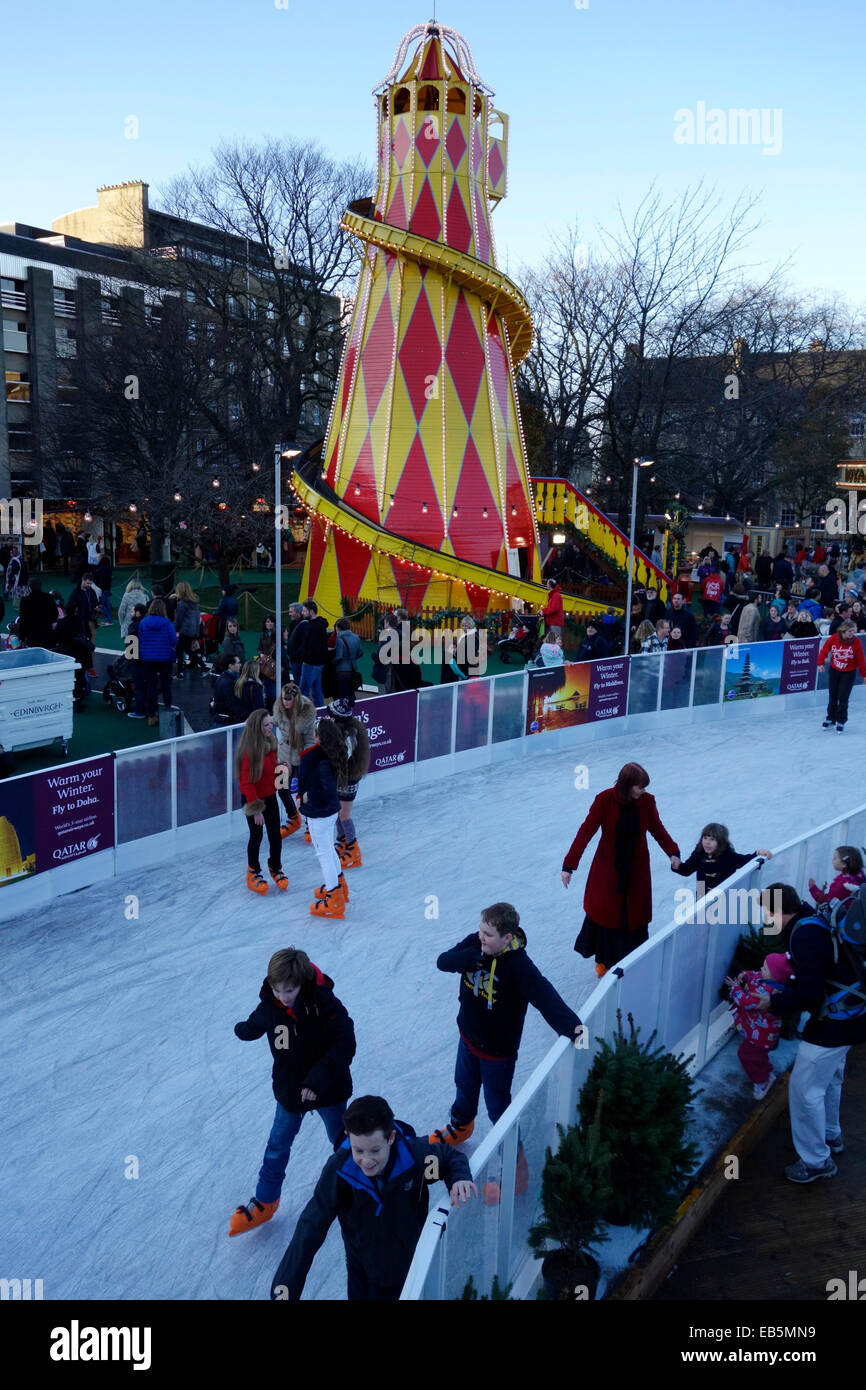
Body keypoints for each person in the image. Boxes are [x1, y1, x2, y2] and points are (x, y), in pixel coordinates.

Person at [431, 902, 583, 1186]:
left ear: (507, 938)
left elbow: (545, 997)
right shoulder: (474, 945)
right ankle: (460, 1126)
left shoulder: (519, 967)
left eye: (488, 934)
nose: (481, 937)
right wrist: (471, 956)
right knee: (463, 1087)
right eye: (481, 930)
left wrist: (575, 1030)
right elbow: (443, 961)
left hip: (497, 1054)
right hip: (468, 1038)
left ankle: (517, 1167)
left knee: (498, 1108)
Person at [270, 1094, 475, 1301]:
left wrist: (459, 1178)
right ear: (348, 1136)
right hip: (362, 1269)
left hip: (408, 1267)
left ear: (391, 1137)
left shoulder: (414, 1156)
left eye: (375, 1150)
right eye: (358, 1150)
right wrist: (285, 1288)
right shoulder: (339, 1171)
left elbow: (449, 1157)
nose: (366, 1160)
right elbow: (310, 1227)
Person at [229, 947, 356, 1236]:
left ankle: (362, 1188)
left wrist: (316, 1082)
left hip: (328, 1090)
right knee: (277, 1146)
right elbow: (258, 1021)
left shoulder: (325, 1003)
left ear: (302, 982)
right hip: (289, 1091)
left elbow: (345, 1044)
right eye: (277, 989)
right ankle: (265, 1201)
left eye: (289, 990)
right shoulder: (271, 1004)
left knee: (344, 1144)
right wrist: (244, 1030)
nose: (283, 996)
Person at [758, 884, 866, 1182]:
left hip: (834, 1024)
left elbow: (811, 992)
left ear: (779, 911)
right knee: (829, 1078)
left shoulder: (803, 935)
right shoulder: (810, 917)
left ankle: (816, 1162)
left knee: (805, 1091)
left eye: (768, 914)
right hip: (854, 1013)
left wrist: (774, 1002)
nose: (767, 920)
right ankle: (831, 1136)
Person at [562, 762, 680, 977]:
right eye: (640, 787)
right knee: (608, 916)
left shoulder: (647, 801)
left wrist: (673, 851)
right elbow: (585, 832)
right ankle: (603, 961)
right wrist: (569, 865)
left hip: (637, 870)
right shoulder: (604, 800)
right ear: (627, 785)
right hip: (608, 870)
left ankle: (635, 959)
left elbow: (657, 828)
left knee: (633, 916)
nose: (644, 791)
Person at [297, 716, 349, 918]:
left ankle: (334, 899)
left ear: (319, 736)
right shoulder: (330, 754)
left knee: (324, 855)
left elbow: (324, 787)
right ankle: (338, 885)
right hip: (329, 811)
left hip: (320, 812)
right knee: (329, 850)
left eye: (314, 732)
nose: (312, 735)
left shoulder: (317, 758)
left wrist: (307, 796)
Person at [725, 954, 795, 1099]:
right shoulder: (767, 979)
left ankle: (761, 1081)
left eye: (765, 968)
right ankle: (767, 1071)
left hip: (761, 1034)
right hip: (759, 1031)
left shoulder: (769, 992)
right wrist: (745, 975)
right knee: (759, 1055)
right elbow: (756, 975)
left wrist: (735, 988)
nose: (761, 969)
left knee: (745, 1055)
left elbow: (747, 1001)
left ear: (775, 976)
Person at [237, 708, 289, 895]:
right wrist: (256, 809)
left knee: (275, 835)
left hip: (269, 796)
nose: (270, 728)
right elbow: (246, 783)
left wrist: (282, 768)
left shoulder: (270, 743)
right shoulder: (249, 751)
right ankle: (253, 870)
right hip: (254, 800)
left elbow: (271, 771)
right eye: (266, 725)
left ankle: (275, 867)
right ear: (257, 727)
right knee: (256, 836)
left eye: (270, 724)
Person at [323, 698, 370, 871]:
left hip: (349, 778)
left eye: (331, 716)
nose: (329, 718)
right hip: (340, 778)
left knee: (344, 814)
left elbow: (345, 757)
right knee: (337, 811)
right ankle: (341, 840)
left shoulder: (349, 733)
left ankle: (353, 848)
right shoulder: (339, 728)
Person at [673, 823, 772, 901]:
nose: (707, 842)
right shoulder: (698, 854)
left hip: (724, 894)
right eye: (705, 838)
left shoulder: (727, 856)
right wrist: (677, 866)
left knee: (721, 920)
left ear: (720, 842)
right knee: (701, 921)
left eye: (712, 839)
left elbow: (744, 861)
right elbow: (687, 870)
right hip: (702, 892)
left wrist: (757, 854)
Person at [272, 682, 316, 836]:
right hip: (284, 755)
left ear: (296, 699)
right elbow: (273, 721)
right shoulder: (279, 709)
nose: (286, 702)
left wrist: (306, 759)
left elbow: (310, 739)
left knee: (304, 793)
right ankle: (293, 818)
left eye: (289, 699)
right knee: (281, 788)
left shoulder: (307, 712)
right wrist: (257, 723)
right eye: (284, 698)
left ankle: (310, 823)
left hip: (301, 756)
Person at [818, 619, 866, 731]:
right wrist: (820, 663)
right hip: (835, 670)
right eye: (850, 631)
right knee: (833, 695)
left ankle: (841, 720)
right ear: (843, 631)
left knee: (843, 697)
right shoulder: (834, 638)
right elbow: (824, 650)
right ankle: (830, 718)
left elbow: (861, 660)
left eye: (854, 631)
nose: (852, 634)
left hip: (849, 673)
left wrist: (864, 675)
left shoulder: (856, 641)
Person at [138, 598, 177, 726]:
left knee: (151, 686)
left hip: (148, 658)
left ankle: (151, 715)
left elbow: (141, 638)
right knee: (166, 685)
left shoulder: (143, 622)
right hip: (165, 657)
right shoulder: (167, 623)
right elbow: (173, 641)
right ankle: (167, 711)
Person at [173, 581, 206, 677]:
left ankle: (180, 671)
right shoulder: (194, 603)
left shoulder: (182, 604)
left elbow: (179, 619)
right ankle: (202, 665)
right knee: (186, 649)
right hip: (193, 630)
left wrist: (174, 630)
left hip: (185, 630)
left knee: (181, 649)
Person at [299, 599, 328, 707]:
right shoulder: (320, 625)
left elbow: (312, 646)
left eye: (304, 611)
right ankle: (320, 710)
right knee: (317, 690)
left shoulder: (313, 627)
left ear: (311, 611)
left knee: (304, 691)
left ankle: (304, 713)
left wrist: (305, 657)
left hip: (311, 663)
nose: (302, 613)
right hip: (319, 663)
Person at [17, 578, 57, 649]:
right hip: (47, 633)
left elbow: (23, 620)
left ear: (29, 588)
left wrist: (22, 637)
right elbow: (55, 613)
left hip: (32, 636)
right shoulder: (49, 597)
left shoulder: (25, 601)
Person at [210, 653, 245, 724]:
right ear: (230, 666)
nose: (240, 665)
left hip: (223, 720)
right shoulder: (228, 682)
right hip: (226, 722)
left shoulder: (223, 678)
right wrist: (246, 714)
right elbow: (231, 704)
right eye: (238, 663)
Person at [257, 614, 279, 704]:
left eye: (271, 621)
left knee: (273, 685)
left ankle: (274, 702)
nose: (269, 623)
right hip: (265, 664)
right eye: (267, 621)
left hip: (274, 663)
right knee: (265, 684)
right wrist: (261, 654)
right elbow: (259, 648)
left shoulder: (277, 634)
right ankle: (267, 702)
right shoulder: (263, 634)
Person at [92, 551, 113, 625]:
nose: (97, 559)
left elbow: (97, 577)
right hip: (106, 589)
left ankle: (108, 620)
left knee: (102, 605)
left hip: (102, 589)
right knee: (106, 604)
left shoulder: (101, 568)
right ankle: (109, 620)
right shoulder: (108, 568)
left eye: (98, 558)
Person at [541, 578, 564, 643]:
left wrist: (543, 611)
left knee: (556, 641)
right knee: (553, 641)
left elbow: (554, 609)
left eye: (547, 583)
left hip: (555, 622)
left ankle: (558, 653)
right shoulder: (554, 595)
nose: (546, 585)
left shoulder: (556, 595)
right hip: (553, 622)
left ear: (549, 585)